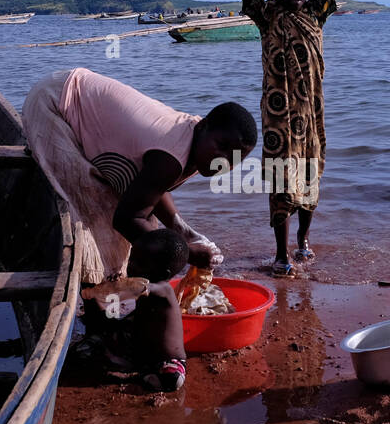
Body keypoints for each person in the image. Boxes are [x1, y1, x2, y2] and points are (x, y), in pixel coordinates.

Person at [23, 67, 257, 374]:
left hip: (69, 92)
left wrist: (185, 233)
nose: (224, 160)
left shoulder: (191, 144)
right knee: (98, 213)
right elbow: (126, 218)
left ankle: (106, 307)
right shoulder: (172, 153)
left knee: (138, 226)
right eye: (222, 147)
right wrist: (183, 255)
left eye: (235, 157)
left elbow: (152, 186)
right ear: (204, 126)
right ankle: (100, 329)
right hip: (55, 104)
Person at [231, 0, 351, 276]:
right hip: (279, 119)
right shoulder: (266, 16)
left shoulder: (317, 13)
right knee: (281, 185)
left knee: (310, 183)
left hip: (311, 115)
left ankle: (303, 243)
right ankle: (282, 255)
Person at [83, 228, 191, 391]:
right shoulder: (144, 286)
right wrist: (108, 290)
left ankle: (144, 376)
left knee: (172, 376)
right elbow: (119, 311)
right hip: (143, 352)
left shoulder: (163, 290)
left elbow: (144, 288)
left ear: (163, 272)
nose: (131, 266)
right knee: (100, 336)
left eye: (139, 263)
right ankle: (140, 372)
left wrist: (121, 288)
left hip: (167, 360)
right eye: (131, 260)